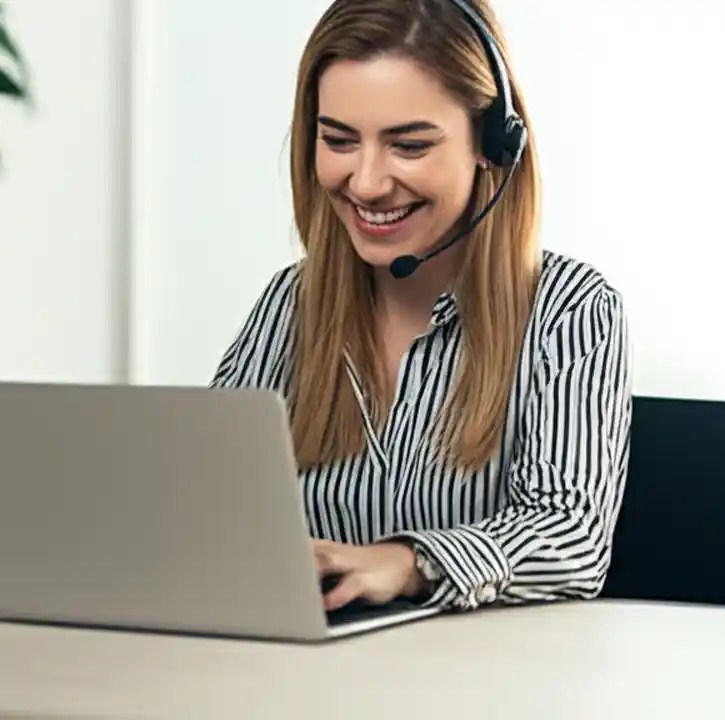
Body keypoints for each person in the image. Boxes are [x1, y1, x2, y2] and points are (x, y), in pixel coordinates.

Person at [210, 0, 633, 613]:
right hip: (301, 679)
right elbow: (206, 505)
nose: (366, 182)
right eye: (339, 140)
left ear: (493, 145)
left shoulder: (570, 310)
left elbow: (570, 537)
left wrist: (410, 563)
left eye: (408, 146)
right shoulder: (290, 305)